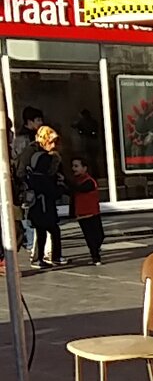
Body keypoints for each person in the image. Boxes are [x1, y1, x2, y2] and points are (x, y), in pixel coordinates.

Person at [20, 125, 68, 269]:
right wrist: (59, 189)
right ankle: (47, 257)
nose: (53, 145)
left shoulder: (39, 157)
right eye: (51, 141)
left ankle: (42, 257)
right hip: (42, 203)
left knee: (44, 231)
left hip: (41, 203)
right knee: (48, 230)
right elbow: (47, 186)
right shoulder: (42, 159)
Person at [12, 106, 44, 255]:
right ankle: (30, 241)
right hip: (25, 179)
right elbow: (19, 160)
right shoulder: (23, 139)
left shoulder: (40, 136)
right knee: (27, 209)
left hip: (35, 178)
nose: (41, 122)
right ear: (29, 121)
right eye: (38, 120)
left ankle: (33, 241)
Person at [70, 155, 104, 265]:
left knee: (100, 236)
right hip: (82, 215)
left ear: (84, 168)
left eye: (76, 166)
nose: (74, 168)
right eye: (73, 166)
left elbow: (81, 189)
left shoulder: (89, 181)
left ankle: (96, 249)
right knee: (90, 238)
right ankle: (95, 257)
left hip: (93, 213)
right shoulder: (75, 181)